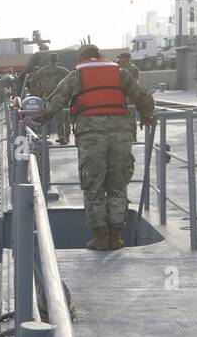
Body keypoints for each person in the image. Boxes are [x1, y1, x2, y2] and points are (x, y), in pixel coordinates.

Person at [35, 44, 155, 251]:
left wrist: (32, 115)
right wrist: (145, 115)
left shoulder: (76, 75)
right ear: (99, 56)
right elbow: (144, 97)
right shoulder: (120, 73)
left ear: (81, 59)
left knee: (94, 186)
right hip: (121, 136)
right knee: (118, 186)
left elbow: (53, 104)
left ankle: (100, 238)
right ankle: (116, 237)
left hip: (91, 137)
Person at [30, 53, 72, 145]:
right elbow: (71, 82)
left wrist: (38, 94)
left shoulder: (42, 71)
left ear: (48, 59)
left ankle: (45, 137)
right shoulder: (63, 71)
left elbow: (32, 82)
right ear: (56, 59)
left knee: (46, 116)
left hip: (47, 97)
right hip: (60, 97)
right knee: (63, 117)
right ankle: (64, 137)